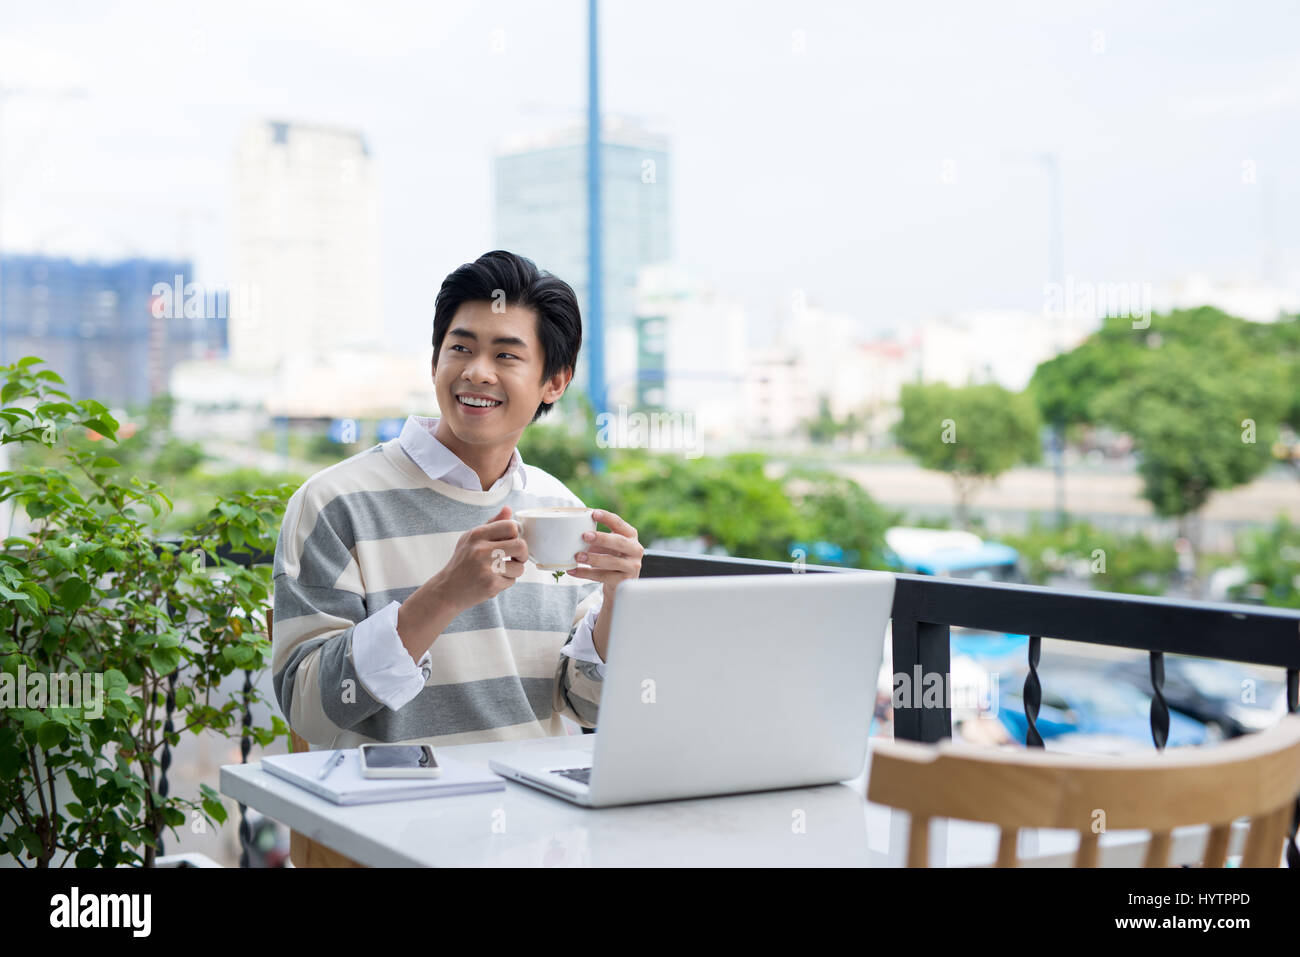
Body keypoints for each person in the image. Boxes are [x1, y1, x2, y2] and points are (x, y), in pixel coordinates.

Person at [271, 250, 644, 750]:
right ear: (434, 363)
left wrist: (621, 600)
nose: (477, 373)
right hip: (392, 815)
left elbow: (586, 704)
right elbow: (308, 710)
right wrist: (444, 595)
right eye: (461, 349)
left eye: (506, 355)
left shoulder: (560, 508)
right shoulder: (335, 503)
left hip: (539, 809)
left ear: (555, 382)